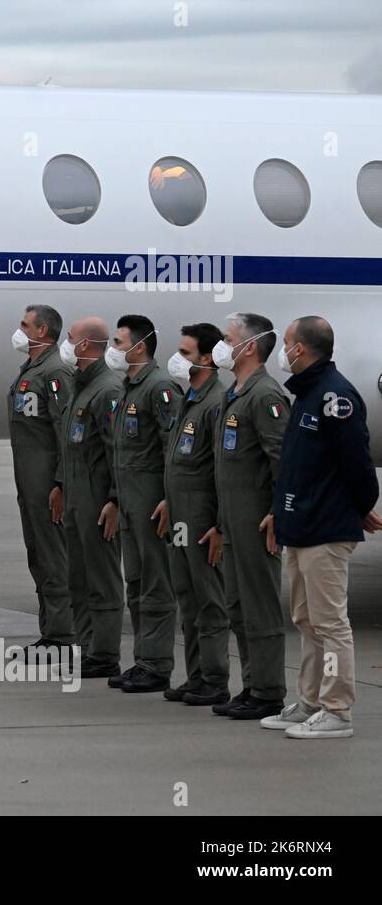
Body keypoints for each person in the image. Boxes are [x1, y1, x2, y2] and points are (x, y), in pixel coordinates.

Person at [261, 317, 380, 738]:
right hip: (302, 524)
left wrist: (358, 507)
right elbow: (297, 467)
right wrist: (280, 511)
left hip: (326, 529)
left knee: (329, 623)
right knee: (307, 619)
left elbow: (358, 466)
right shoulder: (308, 394)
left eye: (288, 343)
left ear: (302, 349)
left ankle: (337, 710)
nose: (284, 349)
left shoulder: (335, 397)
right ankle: (310, 702)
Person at [207, 312, 288, 720]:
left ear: (249, 346)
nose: (221, 345)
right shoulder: (234, 393)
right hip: (234, 521)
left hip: (258, 521)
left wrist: (278, 513)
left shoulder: (265, 395)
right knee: (238, 606)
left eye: (227, 337)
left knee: (260, 606)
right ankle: (252, 685)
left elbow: (282, 463)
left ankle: (270, 690)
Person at [105, 315, 181, 693]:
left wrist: (170, 498)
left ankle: (157, 665)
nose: (113, 350)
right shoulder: (127, 389)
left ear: (139, 347)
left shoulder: (160, 387)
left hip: (152, 507)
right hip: (130, 507)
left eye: (118, 343)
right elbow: (124, 453)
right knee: (135, 585)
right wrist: (115, 500)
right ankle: (142, 660)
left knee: (156, 586)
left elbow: (172, 449)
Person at [161, 323, 231, 706]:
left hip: (203, 519)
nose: (178, 359)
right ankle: (196, 675)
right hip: (181, 517)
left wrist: (219, 524)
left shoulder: (216, 402)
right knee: (187, 597)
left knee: (209, 600)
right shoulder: (190, 398)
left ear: (207, 358)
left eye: (186, 353)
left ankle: (216, 677)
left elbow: (220, 468)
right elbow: (181, 462)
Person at [57, 317, 125, 679]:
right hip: (76, 498)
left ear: (85, 346)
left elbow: (117, 451)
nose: (64, 344)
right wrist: (59, 483)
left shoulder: (107, 390)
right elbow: (71, 443)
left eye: (70, 338)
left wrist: (115, 500)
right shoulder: (79, 385)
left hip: (99, 502)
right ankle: (87, 648)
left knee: (102, 578)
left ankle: (104, 652)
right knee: (79, 578)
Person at [6, 304, 75, 654]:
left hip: (48, 486)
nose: (19, 330)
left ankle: (61, 636)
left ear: (42, 331)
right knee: (39, 557)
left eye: (25, 324)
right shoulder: (30, 369)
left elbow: (66, 433)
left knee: (53, 558)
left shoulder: (55, 373)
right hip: (30, 486)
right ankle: (51, 631)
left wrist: (61, 484)